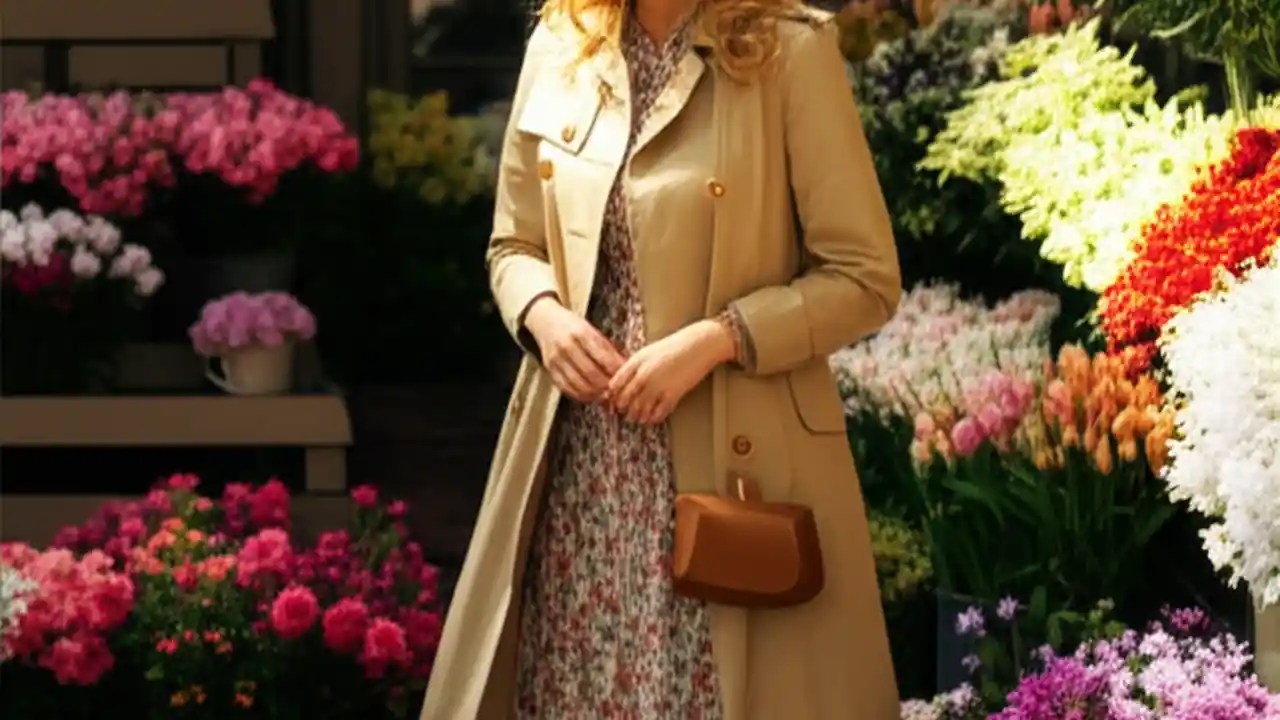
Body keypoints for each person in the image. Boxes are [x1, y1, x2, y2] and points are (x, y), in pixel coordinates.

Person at [420, 0, 902, 715]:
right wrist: (545, 318)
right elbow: (513, 245)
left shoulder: (789, 49)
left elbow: (864, 278)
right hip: (579, 480)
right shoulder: (561, 43)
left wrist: (718, 339)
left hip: (730, 470)